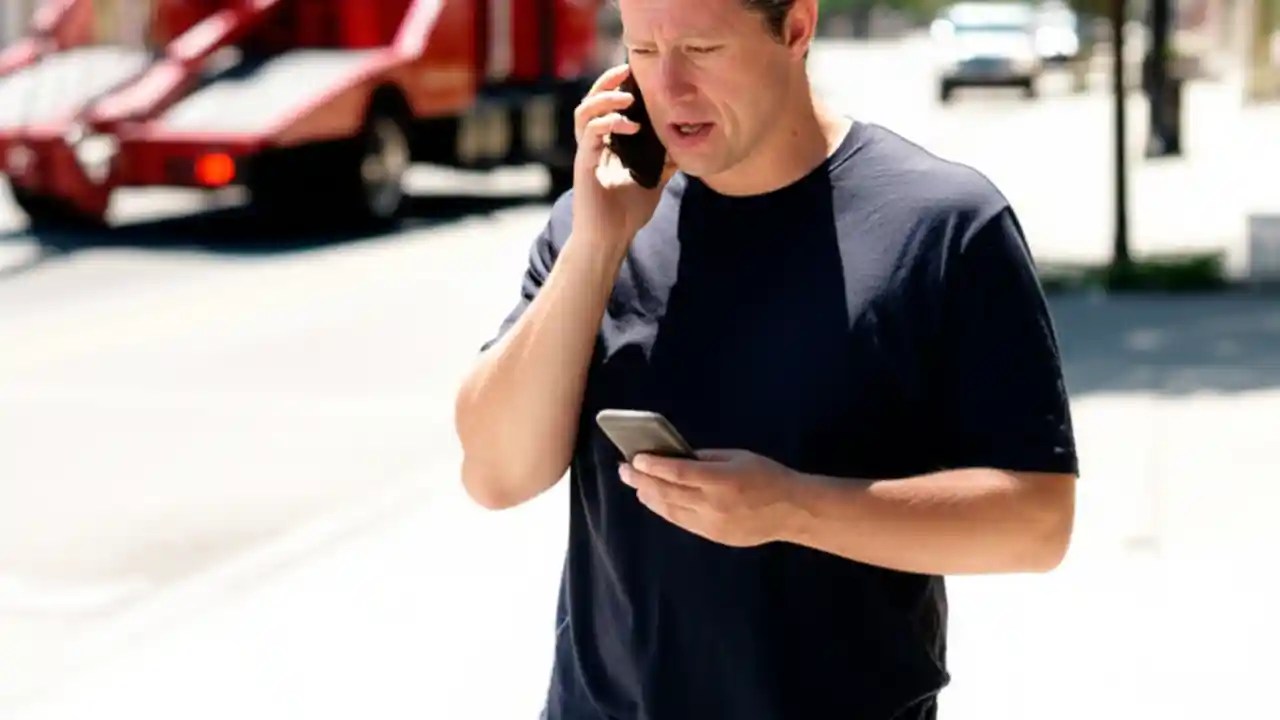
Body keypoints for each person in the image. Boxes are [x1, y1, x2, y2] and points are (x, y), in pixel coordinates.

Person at [453, 0, 1079, 718]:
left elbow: (1036, 524)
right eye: (644, 52)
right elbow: (495, 474)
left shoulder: (943, 224)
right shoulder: (597, 219)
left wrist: (793, 508)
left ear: (796, 28)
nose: (669, 89)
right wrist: (597, 244)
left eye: (701, 49)